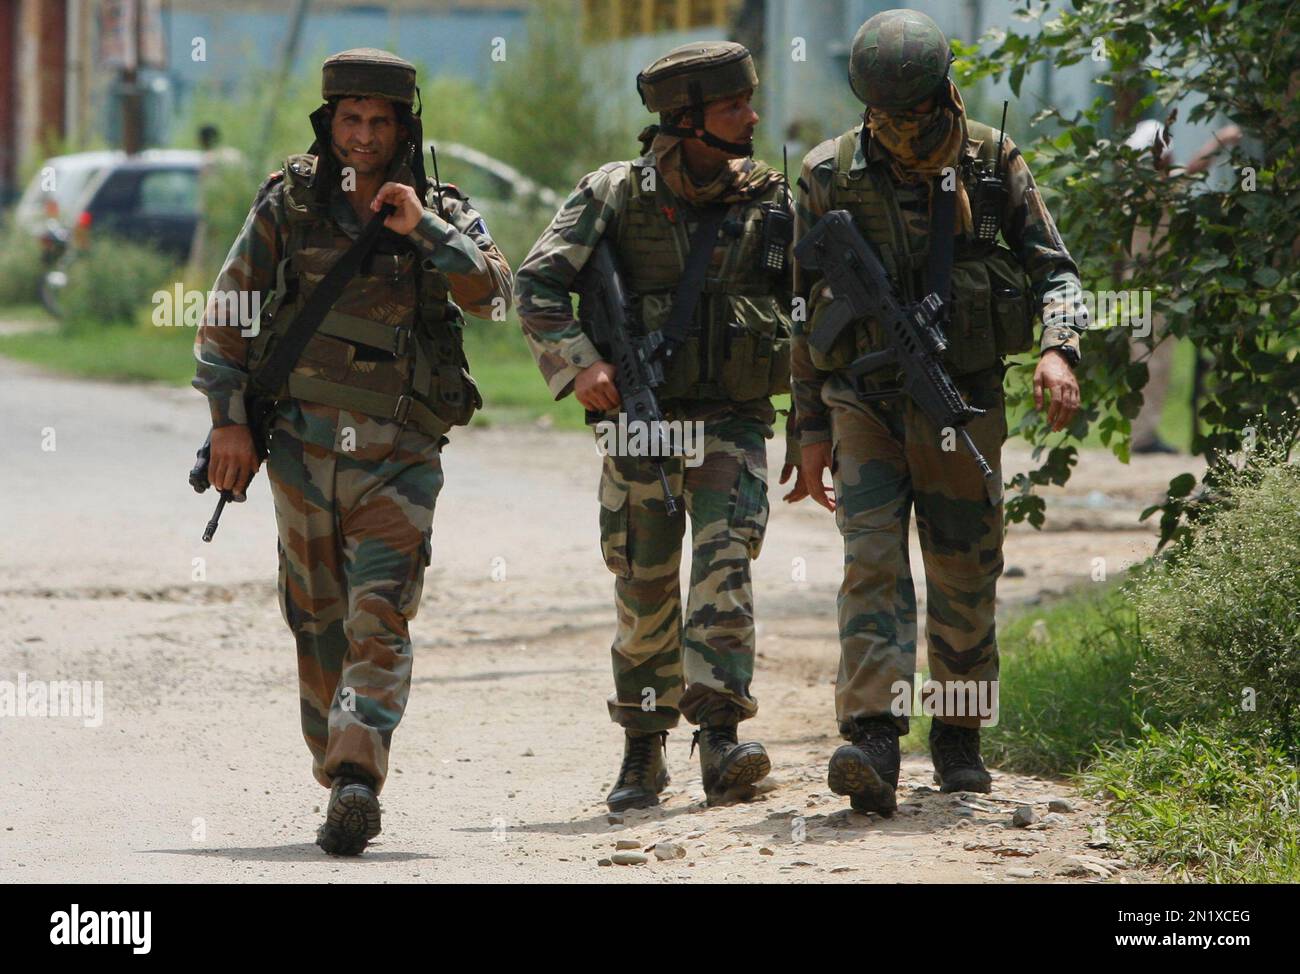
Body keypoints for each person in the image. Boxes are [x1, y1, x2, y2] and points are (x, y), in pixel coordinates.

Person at [193, 48, 512, 854]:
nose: (362, 137)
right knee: (316, 620)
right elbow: (227, 313)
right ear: (328, 125)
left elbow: (497, 294)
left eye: (378, 122)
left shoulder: (440, 205)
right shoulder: (289, 204)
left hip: (398, 455)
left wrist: (426, 229)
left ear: (404, 127)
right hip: (301, 450)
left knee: (381, 615)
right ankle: (336, 769)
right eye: (349, 121)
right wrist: (230, 421)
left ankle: (358, 779)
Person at [793, 10, 1087, 815]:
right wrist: (809, 430)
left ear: (945, 91)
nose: (906, 128)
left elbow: (1057, 273)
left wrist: (1058, 349)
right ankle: (873, 739)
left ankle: (958, 737)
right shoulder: (827, 174)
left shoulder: (994, 165)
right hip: (862, 404)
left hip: (967, 400)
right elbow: (800, 312)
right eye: (889, 115)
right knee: (872, 566)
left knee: (964, 567)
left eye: (919, 110)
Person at [514, 41, 803, 811]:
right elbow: (537, 284)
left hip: (731, 422)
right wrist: (580, 364)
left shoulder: (770, 202)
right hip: (642, 422)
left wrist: (811, 427)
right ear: (687, 118)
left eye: (749, 100)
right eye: (734, 104)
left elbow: (807, 318)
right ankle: (643, 750)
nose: (751, 114)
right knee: (644, 583)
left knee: (723, 567)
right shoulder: (614, 193)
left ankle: (720, 739)